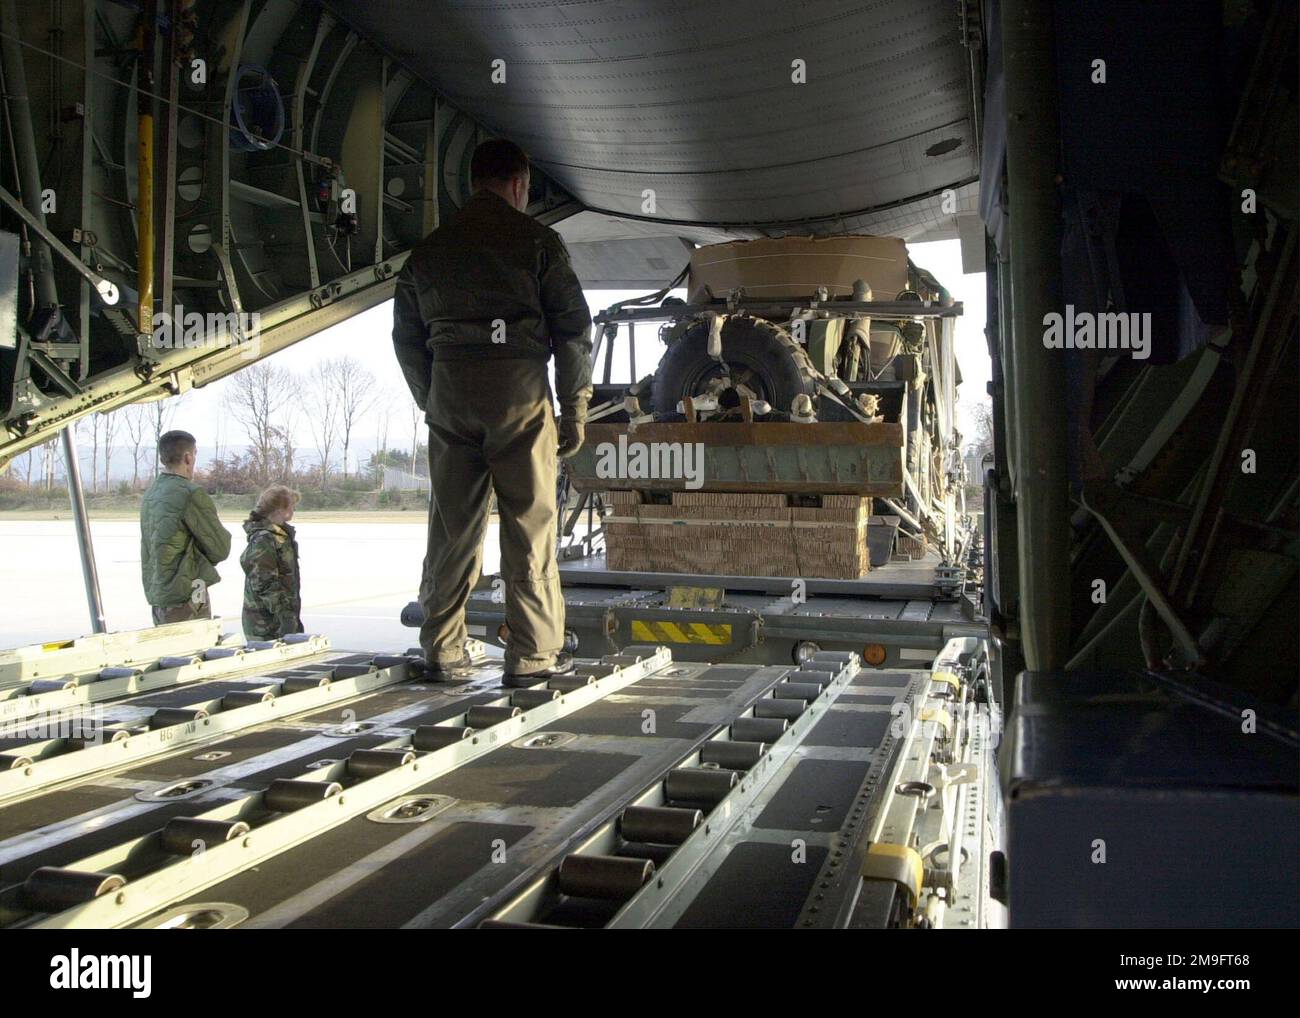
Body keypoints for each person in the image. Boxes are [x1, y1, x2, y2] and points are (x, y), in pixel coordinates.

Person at [392, 138, 592, 685]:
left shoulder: (429, 251)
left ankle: (443, 650)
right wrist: (574, 410)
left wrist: (434, 398)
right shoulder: (537, 242)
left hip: (451, 392)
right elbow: (574, 331)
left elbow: (407, 339)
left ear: (472, 180)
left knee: (451, 528)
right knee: (530, 524)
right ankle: (531, 655)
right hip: (518, 394)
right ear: (520, 184)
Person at [139, 430, 231, 623]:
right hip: (187, 595)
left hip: (160, 595)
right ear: (188, 457)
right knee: (195, 647)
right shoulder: (190, 493)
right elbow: (220, 548)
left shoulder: (151, 493)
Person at [240, 485, 304, 641]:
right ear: (280, 509)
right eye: (291, 506)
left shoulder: (279, 534)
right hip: (266, 623)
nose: (293, 509)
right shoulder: (264, 538)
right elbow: (264, 583)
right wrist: (285, 616)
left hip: (279, 619)